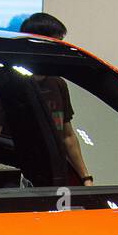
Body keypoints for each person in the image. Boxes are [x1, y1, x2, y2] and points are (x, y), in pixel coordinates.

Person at [17, 12, 92, 185]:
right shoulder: (10, 85)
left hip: (55, 176)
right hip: (23, 178)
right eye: (55, 43)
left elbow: (68, 136)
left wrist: (85, 178)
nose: (59, 49)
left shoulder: (58, 84)